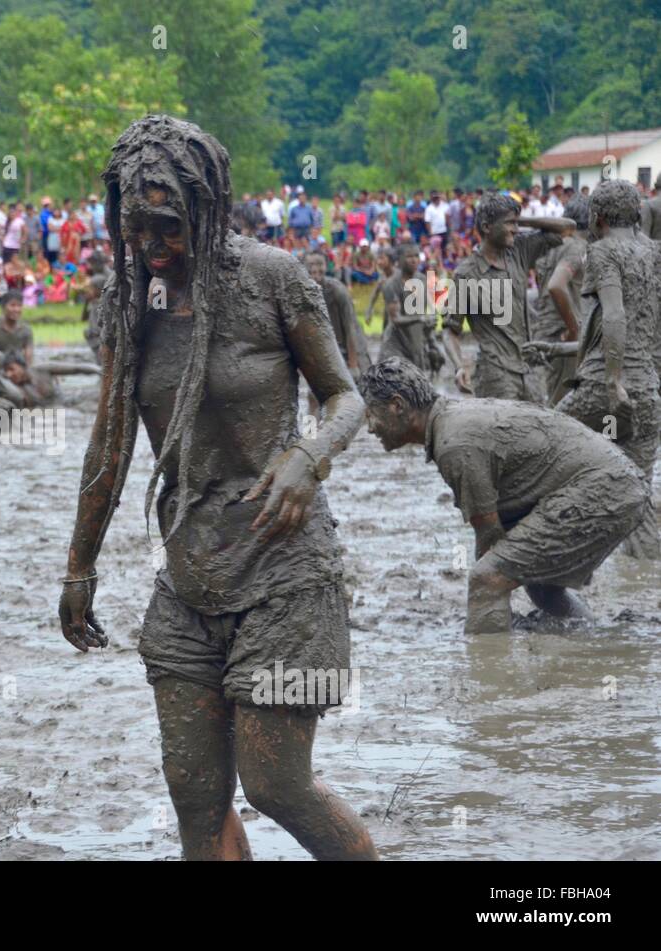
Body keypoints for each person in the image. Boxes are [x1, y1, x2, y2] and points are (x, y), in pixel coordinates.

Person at [59, 116, 376, 862]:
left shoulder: (273, 279)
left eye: (166, 226)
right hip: (189, 579)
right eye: (132, 229)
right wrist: (80, 564)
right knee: (196, 798)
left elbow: (346, 397)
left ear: (206, 209)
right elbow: (109, 444)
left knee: (275, 784)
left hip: (284, 569)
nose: (150, 247)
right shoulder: (130, 302)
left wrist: (308, 456)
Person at [362, 358, 646, 635]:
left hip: (607, 488)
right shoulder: (452, 422)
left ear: (397, 406)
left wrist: (485, 595)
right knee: (539, 586)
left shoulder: (454, 445)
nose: (370, 427)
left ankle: (488, 670)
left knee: (487, 579)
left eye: (371, 414)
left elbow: (488, 537)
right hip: (618, 484)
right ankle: (593, 638)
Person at [529, 181, 660, 557]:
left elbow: (615, 317)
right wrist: (556, 349)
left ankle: (549, 553)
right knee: (640, 501)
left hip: (603, 390)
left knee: (540, 440)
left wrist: (614, 380)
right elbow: (641, 329)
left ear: (598, 218)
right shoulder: (654, 253)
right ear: (636, 214)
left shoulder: (602, 251)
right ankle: (643, 578)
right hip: (647, 393)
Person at [442, 192, 574, 400]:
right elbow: (450, 330)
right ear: (487, 227)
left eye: (516, 223)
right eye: (509, 223)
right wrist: (459, 367)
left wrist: (519, 218)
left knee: (539, 428)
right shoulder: (466, 273)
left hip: (529, 371)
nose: (516, 229)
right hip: (495, 375)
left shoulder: (519, 251)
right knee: (501, 431)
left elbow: (568, 227)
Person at [524, 196, 590, 407]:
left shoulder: (549, 247)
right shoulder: (578, 247)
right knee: (563, 404)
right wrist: (573, 328)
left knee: (554, 399)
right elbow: (556, 286)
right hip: (565, 334)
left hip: (546, 331)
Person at [305, 253, 368, 381]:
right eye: (311, 265)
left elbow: (350, 328)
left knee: (361, 384)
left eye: (320, 264)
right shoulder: (304, 292)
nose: (316, 269)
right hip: (331, 348)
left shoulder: (337, 290)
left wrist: (353, 364)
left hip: (353, 346)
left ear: (326, 266)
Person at [378, 244, 433, 373]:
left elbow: (429, 308)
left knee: (420, 384)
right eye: (409, 256)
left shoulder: (423, 280)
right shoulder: (391, 285)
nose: (414, 260)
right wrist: (420, 318)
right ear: (399, 260)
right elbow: (396, 319)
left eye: (416, 256)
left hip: (415, 342)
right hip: (395, 344)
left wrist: (432, 339)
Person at [0, 289, 33, 363]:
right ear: (3, 307)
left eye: (19, 305)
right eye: (12, 305)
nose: (16, 309)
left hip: (17, 367)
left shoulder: (25, 329)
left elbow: (28, 356)